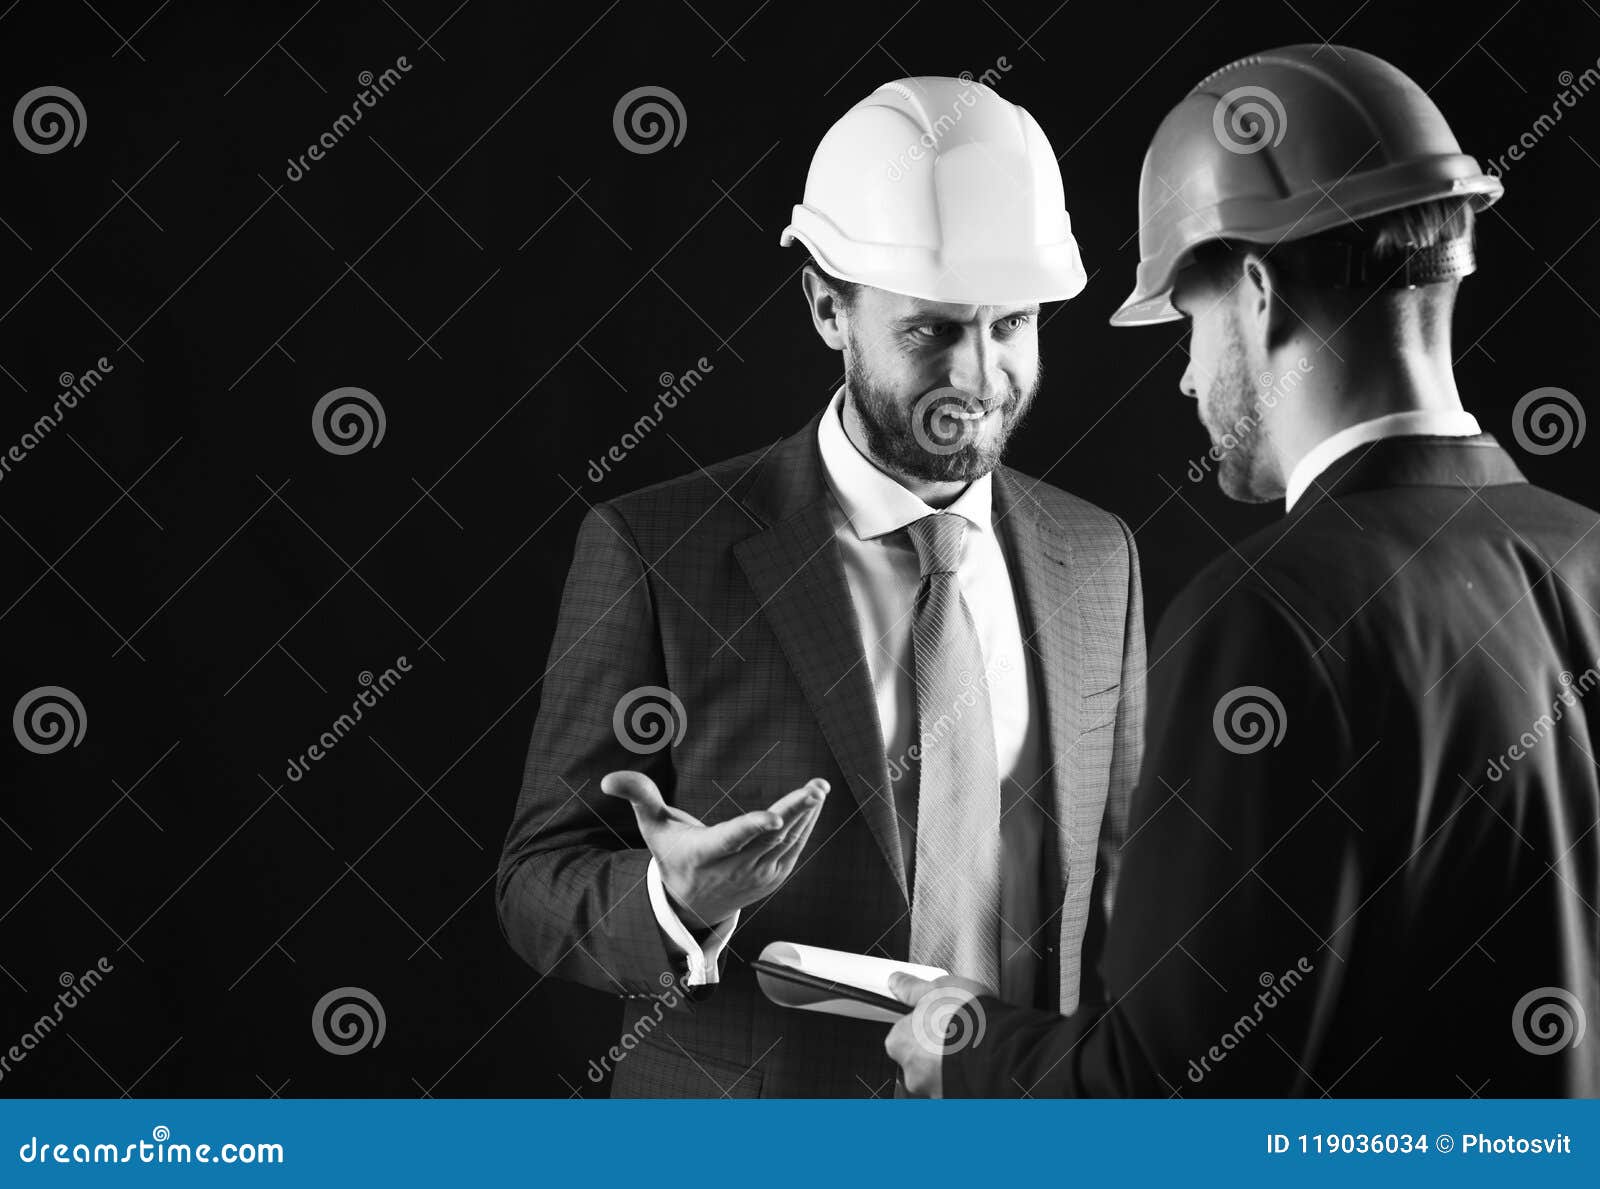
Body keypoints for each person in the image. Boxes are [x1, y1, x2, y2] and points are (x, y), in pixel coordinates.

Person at [887, 44, 1600, 1098]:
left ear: (1257, 293)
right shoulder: (1583, 554)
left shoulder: (1266, 614)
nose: (1182, 378)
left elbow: (1166, 1102)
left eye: (1186, 320)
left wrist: (963, 1047)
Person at [496, 76, 1146, 1096]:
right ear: (827, 306)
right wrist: (676, 898)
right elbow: (536, 884)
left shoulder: (1096, 557)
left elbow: (1119, 886)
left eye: (1011, 324)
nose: (978, 376)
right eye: (931, 330)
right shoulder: (656, 549)